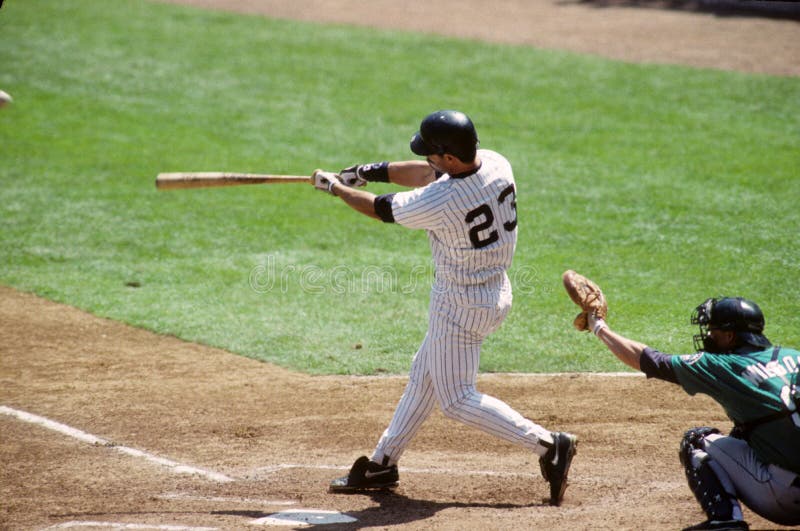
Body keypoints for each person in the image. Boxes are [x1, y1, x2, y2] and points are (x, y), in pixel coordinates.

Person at [311, 110, 577, 505]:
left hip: (460, 305)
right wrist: (366, 171)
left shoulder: (443, 199)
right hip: (494, 291)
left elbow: (380, 209)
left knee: (456, 400)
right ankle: (383, 462)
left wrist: (336, 188)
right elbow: (425, 172)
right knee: (425, 375)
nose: (428, 160)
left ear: (449, 158)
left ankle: (549, 445)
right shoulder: (497, 163)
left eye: (433, 154)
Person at [586, 296, 800, 530]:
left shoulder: (721, 365)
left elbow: (649, 360)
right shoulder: (793, 356)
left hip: (786, 499)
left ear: (730, 336)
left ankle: (725, 521)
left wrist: (599, 327)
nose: (708, 335)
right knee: (744, 432)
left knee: (695, 440)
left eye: (713, 330)